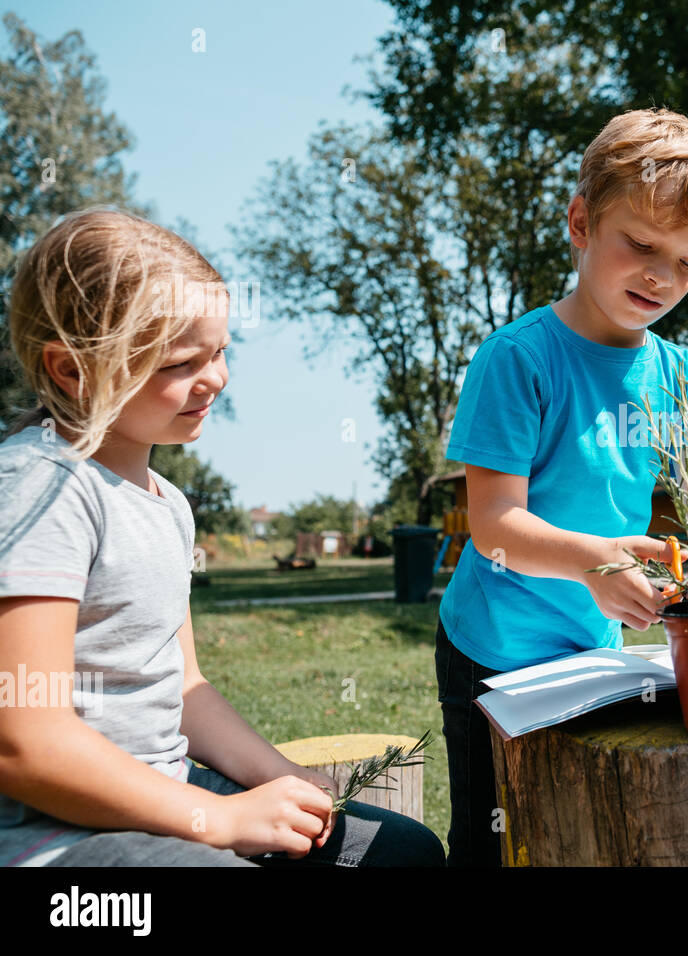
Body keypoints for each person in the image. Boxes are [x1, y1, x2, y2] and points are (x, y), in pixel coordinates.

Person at [0, 208, 444, 867]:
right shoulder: (42, 488)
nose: (217, 378)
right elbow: (25, 745)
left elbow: (186, 689)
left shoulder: (167, 503)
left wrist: (275, 776)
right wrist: (221, 818)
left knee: (401, 853)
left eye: (221, 351)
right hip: (56, 831)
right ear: (72, 371)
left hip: (169, 794)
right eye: (183, 362)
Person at [436, 107, 688, 866]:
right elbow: (493, 523)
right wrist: (596, 562)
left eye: (687, 262)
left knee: (582, 833)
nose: (661, 275)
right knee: (495, 839)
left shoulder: (681, 378)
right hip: (494, 650)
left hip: (593, 650)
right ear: (581, 222)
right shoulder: (518, 359)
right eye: (642, 245)